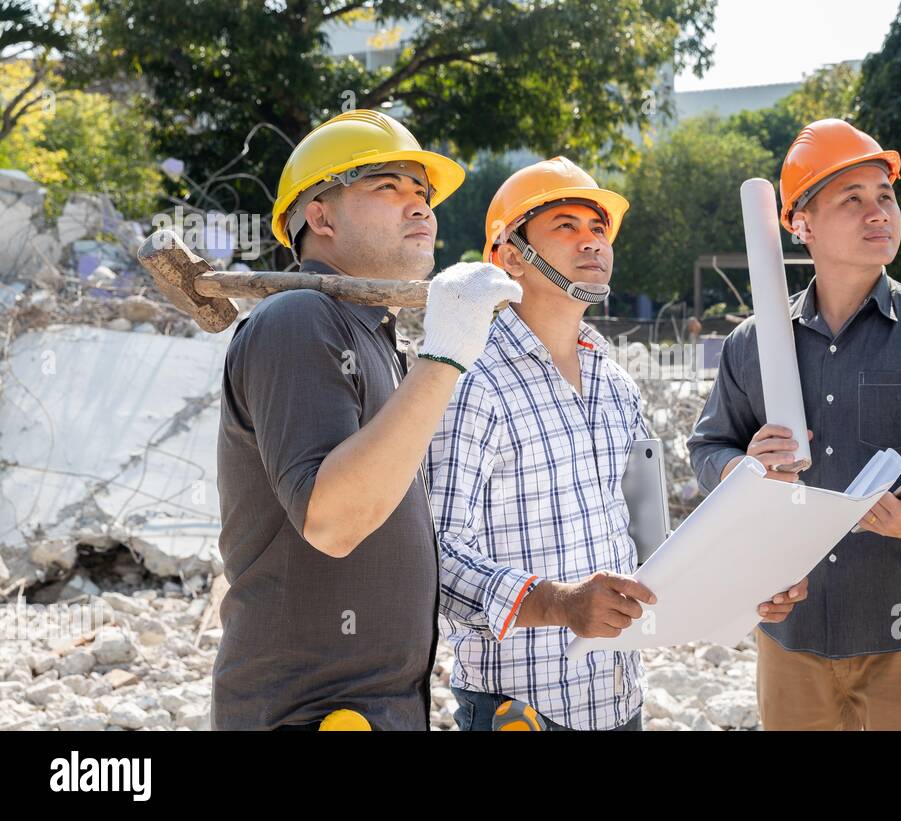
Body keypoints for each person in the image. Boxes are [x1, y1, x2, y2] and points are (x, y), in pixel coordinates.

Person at [427, 157, 806, 731]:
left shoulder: (613, 380)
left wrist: (745, 581)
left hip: (619, 703)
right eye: (565, 226)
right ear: (510, 256)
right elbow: (433, 557)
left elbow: (649, 548)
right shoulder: (470, 380)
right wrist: (559, 603)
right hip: (519, 712)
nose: (592, 242)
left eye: (598, 228)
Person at [687, 119, 901, 730]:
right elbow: (709, 446)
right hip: (791, 633)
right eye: (853, 199)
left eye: (885, 197)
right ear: (802, 223)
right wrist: (742, 469)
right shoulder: (753, 345)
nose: (879, 213)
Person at [212, 109, 521, 730]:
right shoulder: (298, 319)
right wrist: (447, 353)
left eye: (423, 194)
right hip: (305, 714)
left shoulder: (372, 336)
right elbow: (334, 521)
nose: (421, 209)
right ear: (320, 216)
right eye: (389, 187)